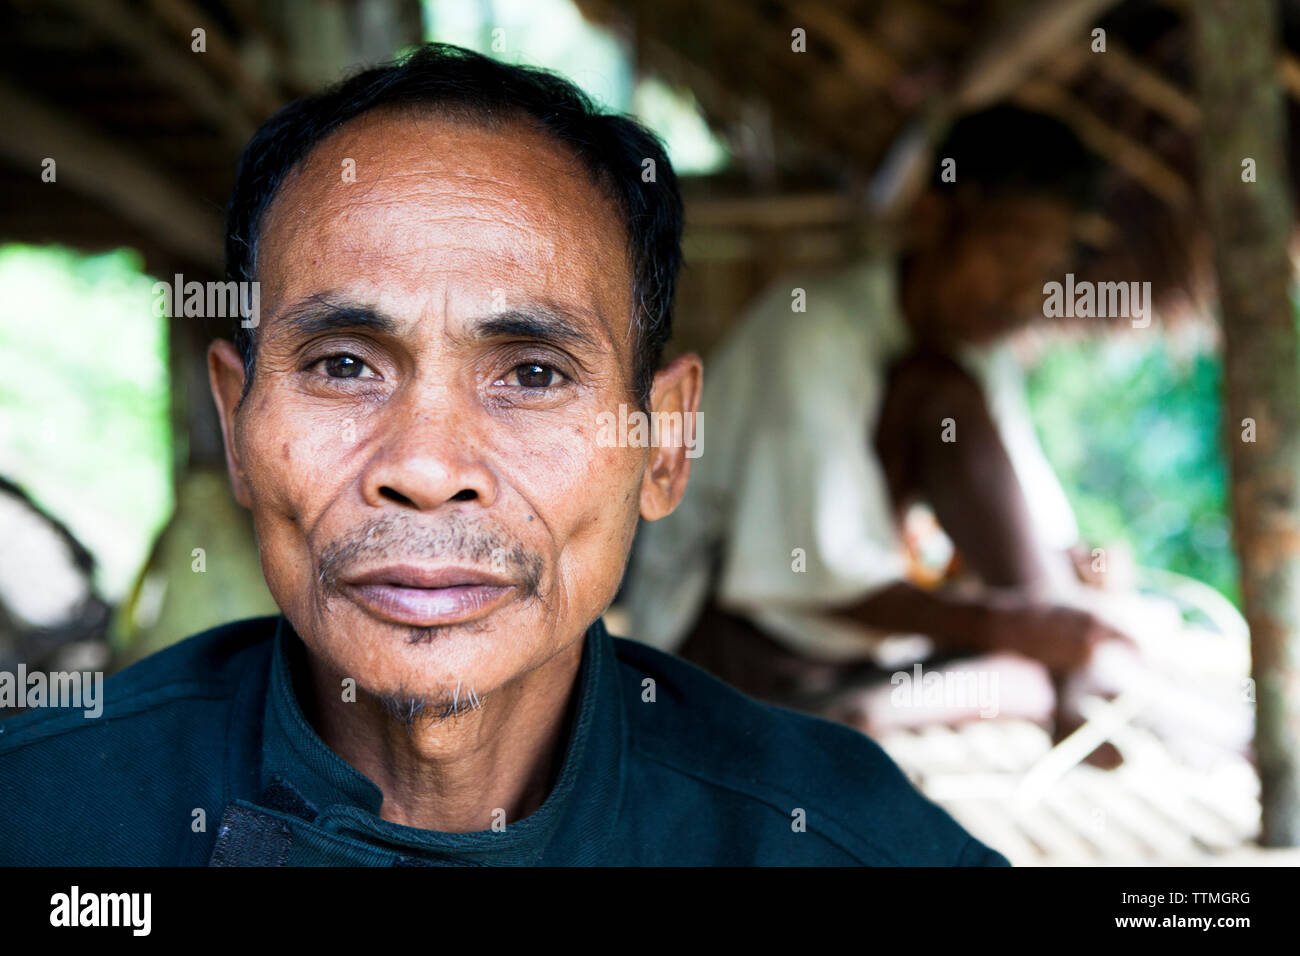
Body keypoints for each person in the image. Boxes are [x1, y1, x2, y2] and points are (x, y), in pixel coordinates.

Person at [0, 44, 1006, 866]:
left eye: (530, 374)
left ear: (661, 443)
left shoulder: (832, 841)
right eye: (344, 364)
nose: (428, 466)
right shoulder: (46, 812)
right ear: (235, 421)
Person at [624, 109, 1138, 759]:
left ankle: (885, 708)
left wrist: (1077, 571)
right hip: (725, 651)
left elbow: (1030, 529)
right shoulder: (811, 329)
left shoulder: (981, 350)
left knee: (1032, 641)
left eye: (1047, 263)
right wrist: (1018, 623)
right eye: (1009, 251)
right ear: (931, 217)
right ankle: (1028, 680)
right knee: (935, 394)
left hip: (866, 655)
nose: (1022, 291)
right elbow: (813, 567)